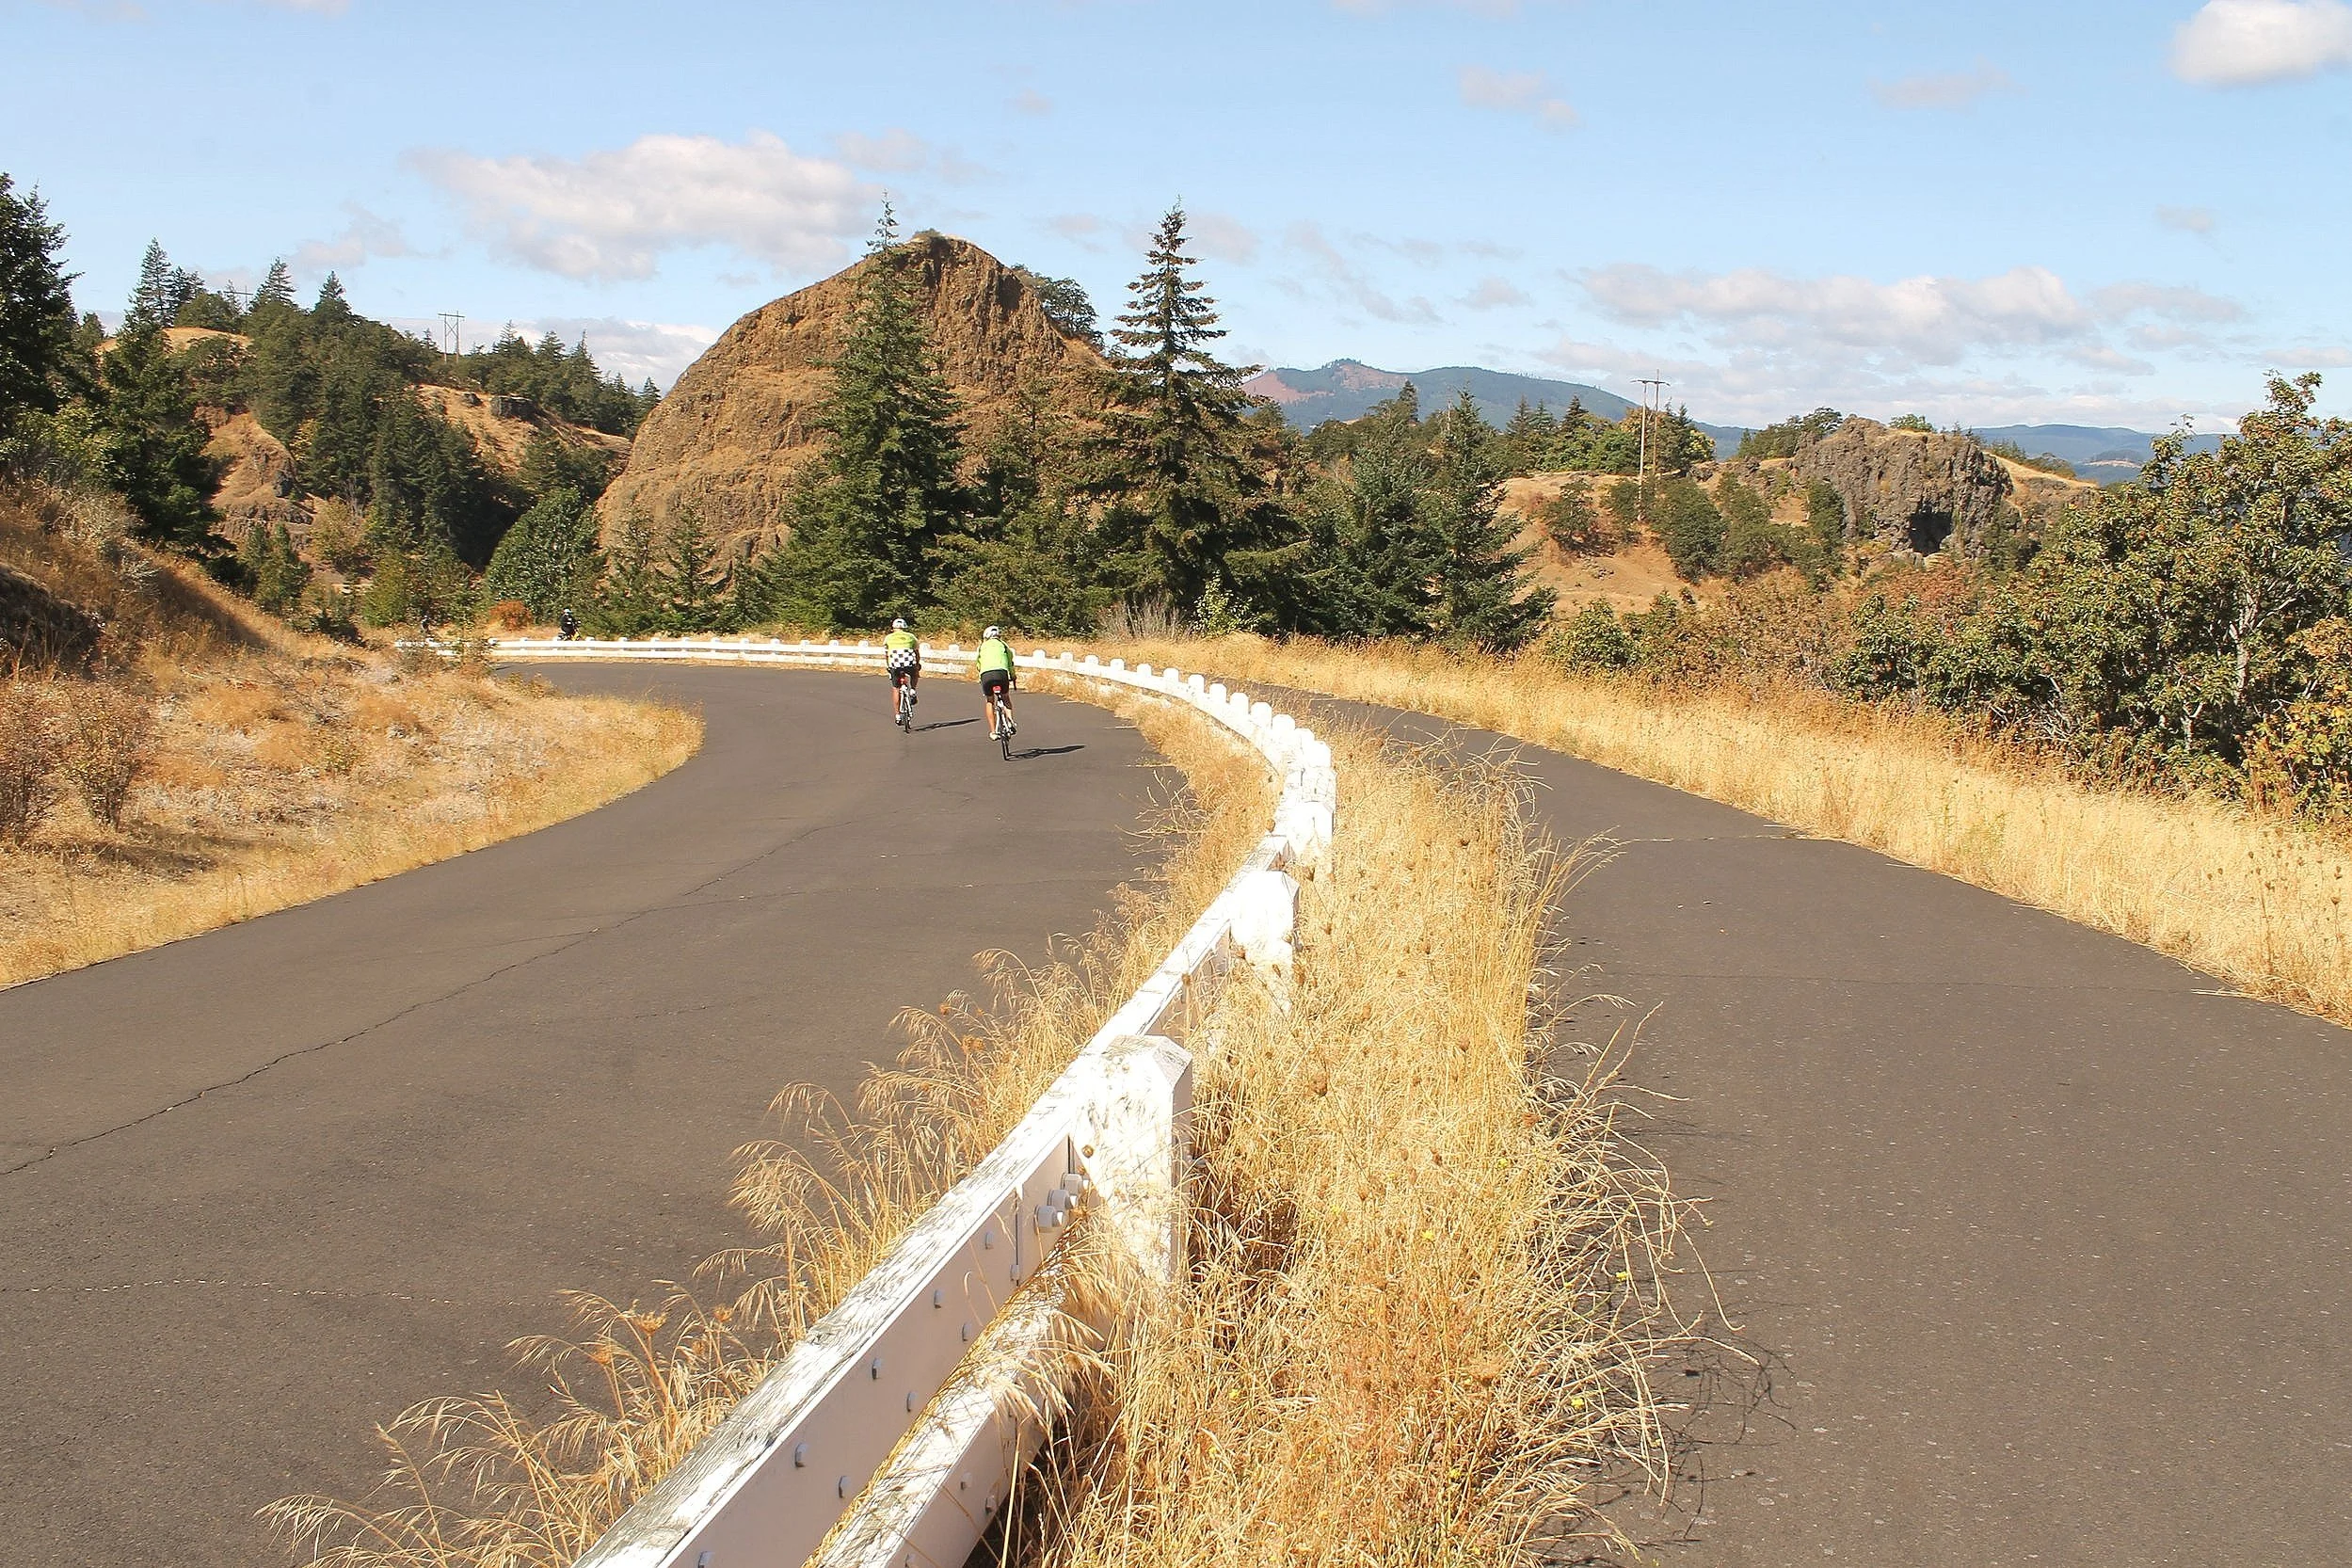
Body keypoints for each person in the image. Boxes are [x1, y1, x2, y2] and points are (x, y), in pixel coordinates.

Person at [976, 625, 1016, 737]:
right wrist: (1013, 676)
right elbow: (1010, 663)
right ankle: (1010, 721)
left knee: (990, 701)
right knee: (1006, 697)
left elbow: (978, 664)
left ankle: (993, 732)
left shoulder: (981, 647)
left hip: (986, 675)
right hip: (1002, 673)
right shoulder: (1004, 645)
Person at [883, 616, 920, 720]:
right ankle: (912, 690)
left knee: (896, 688)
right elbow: (916, 652)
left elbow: (886, 654)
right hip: (909, 664)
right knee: (915, 673)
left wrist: (888, 666)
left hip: (895, 665)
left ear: (893, 627)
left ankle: (898, 715)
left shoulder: (888, 638)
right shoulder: (911, 636)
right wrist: (917, 664)